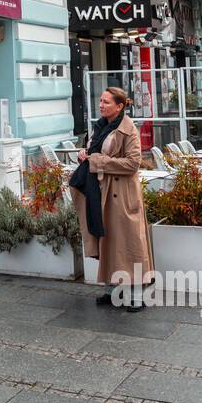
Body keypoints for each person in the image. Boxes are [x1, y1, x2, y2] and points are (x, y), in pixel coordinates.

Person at [69, 87, 152, 313]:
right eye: (101, 101)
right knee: (105, 241)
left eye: (106, 102)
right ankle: (111, 290)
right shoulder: (100, 126)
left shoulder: (129, 130)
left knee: (128, 244)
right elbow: (93, 151)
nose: (101, 105)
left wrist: (99, 162)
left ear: (120, 106)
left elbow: (133, 163)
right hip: (101, 192)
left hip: (122, 195)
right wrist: (84, 154)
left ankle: (136, 296)